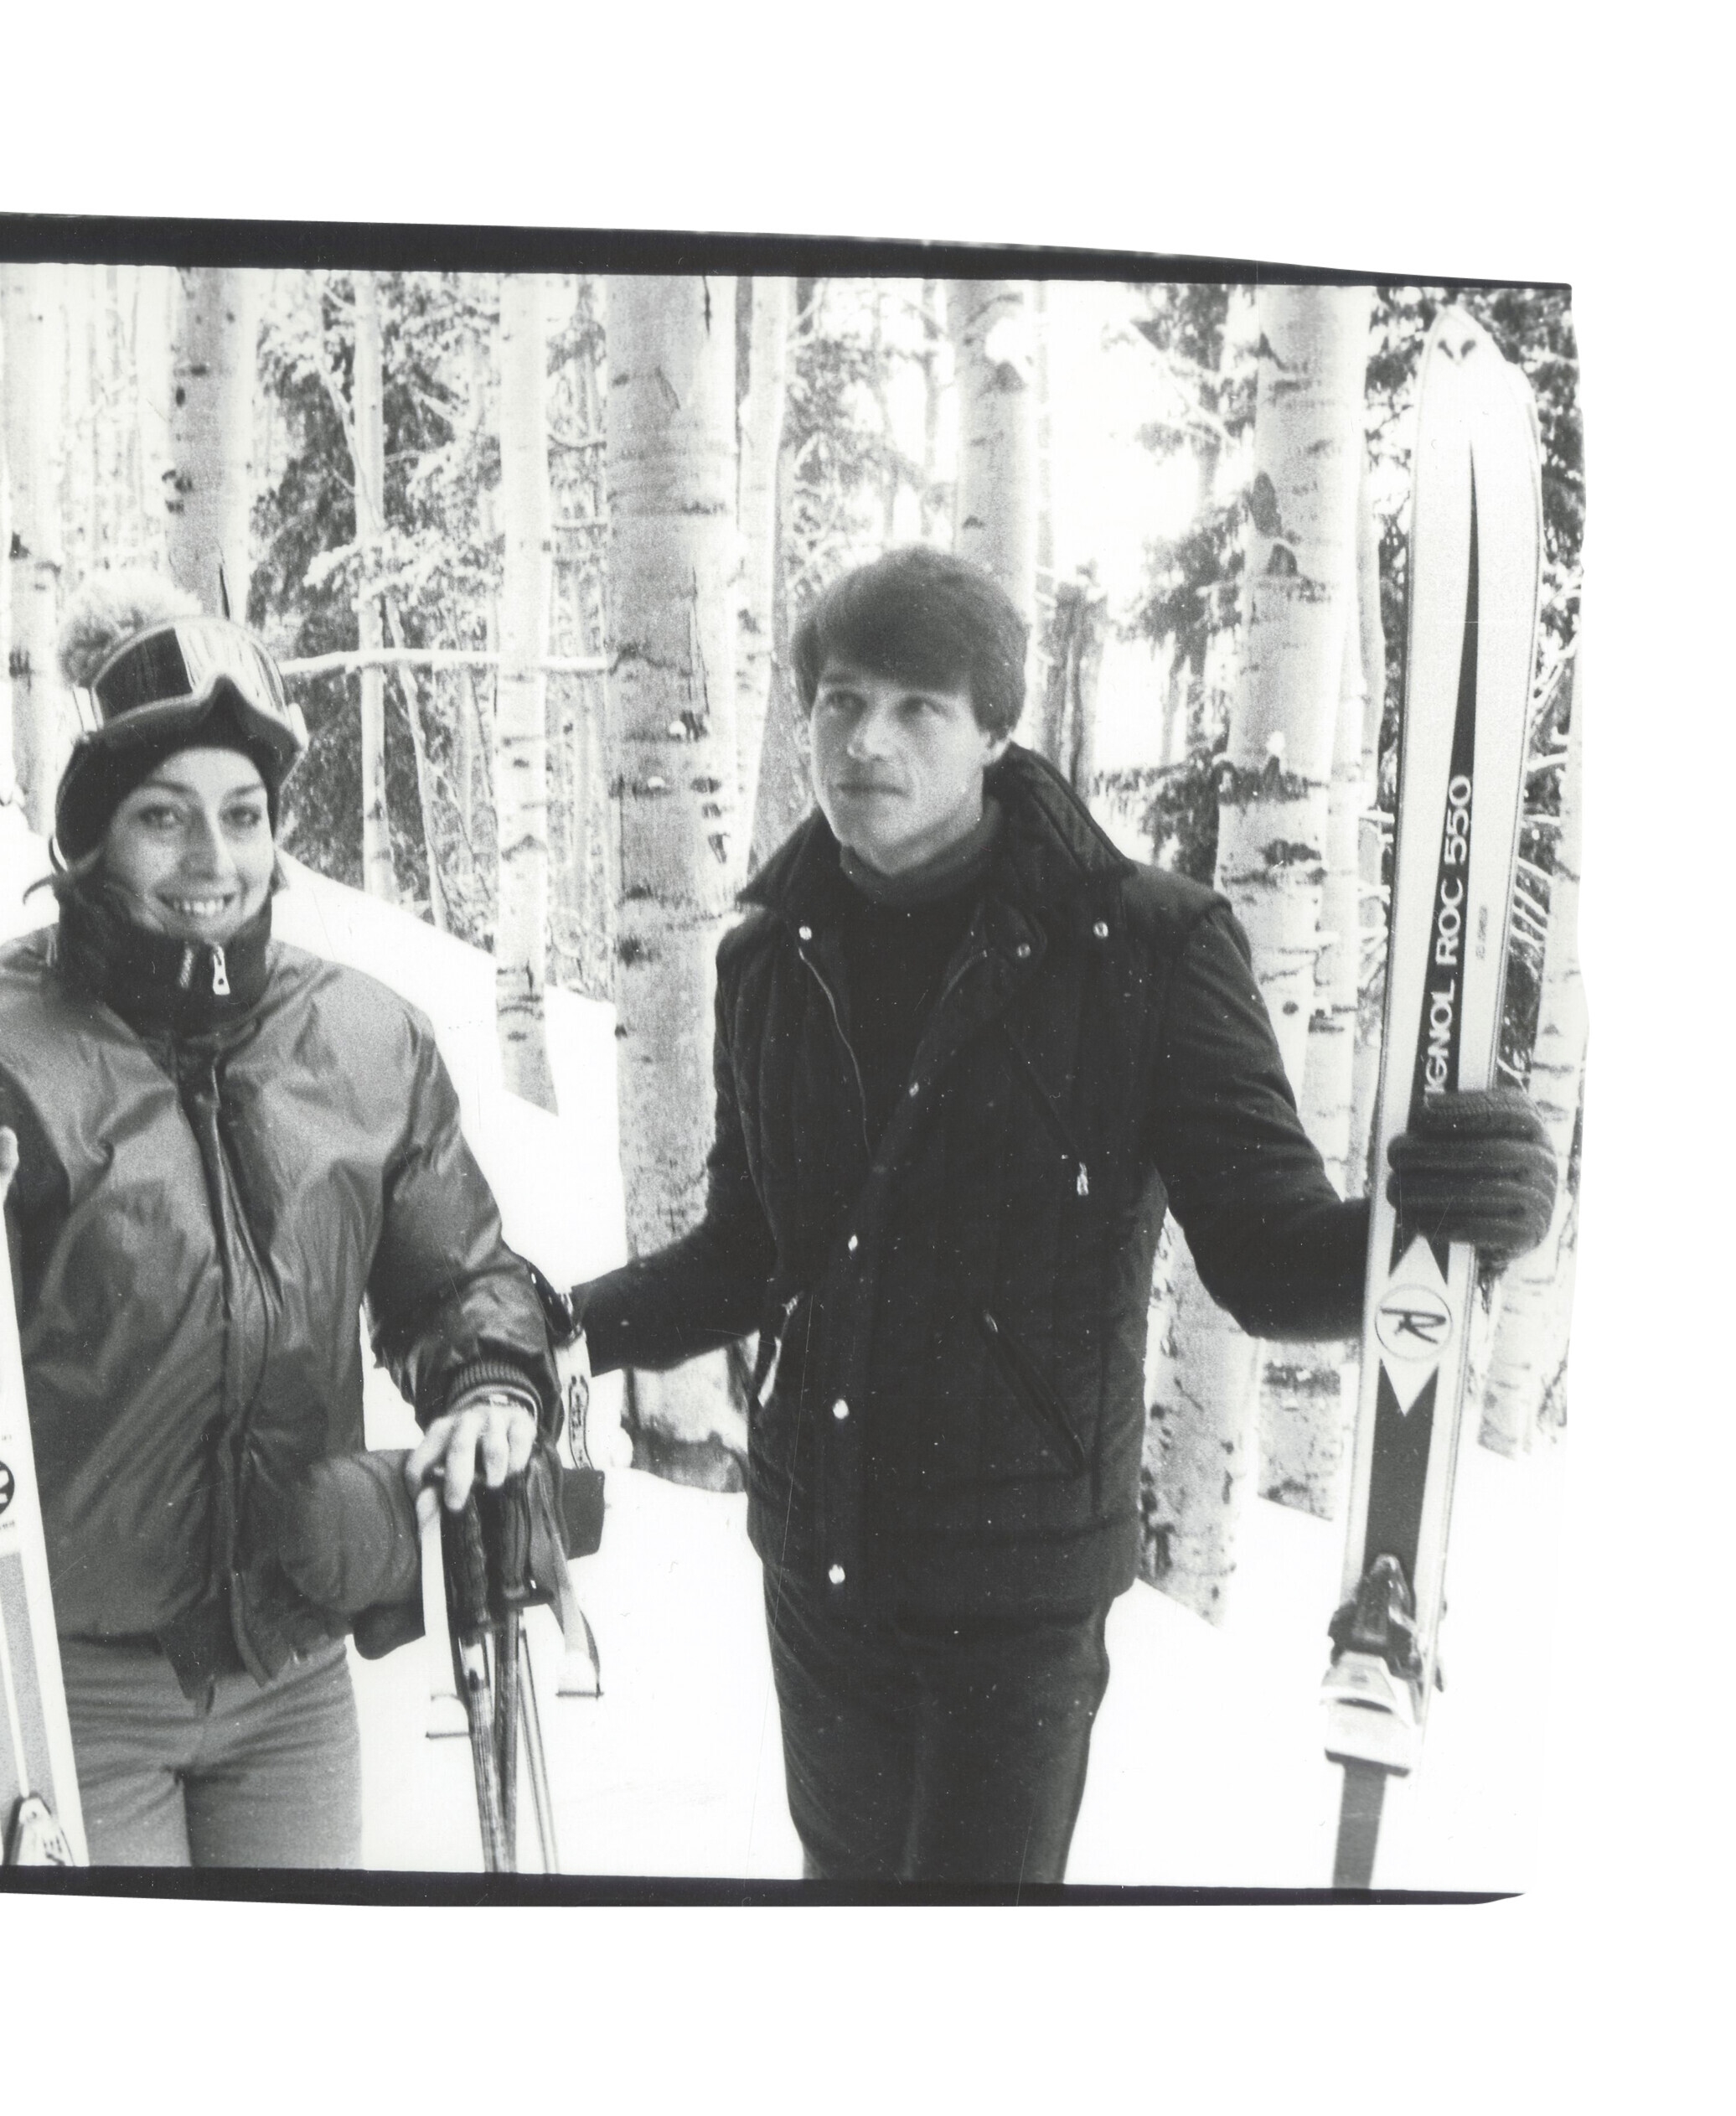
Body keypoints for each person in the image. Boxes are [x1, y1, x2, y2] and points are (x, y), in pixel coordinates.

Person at [568, 546, 1558, 1886]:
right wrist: (557, 1323)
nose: (866, 739)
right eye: (840, 699)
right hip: (818, 1567)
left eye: (919, 706)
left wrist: (1440, 1225)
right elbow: (751, 1254)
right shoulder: (767, 958)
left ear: (993, 729)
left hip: (1016, 1605)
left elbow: (1268, 1260)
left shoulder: (1146, 947)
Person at [0, 574, 555, 1869]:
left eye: (243, 815)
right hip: (70, 1688)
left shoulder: (368, 1038)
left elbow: (456, 1279)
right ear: (91, 840)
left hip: (292, 1674)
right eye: (164, 818)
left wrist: (490, 1377)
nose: (215, 860)